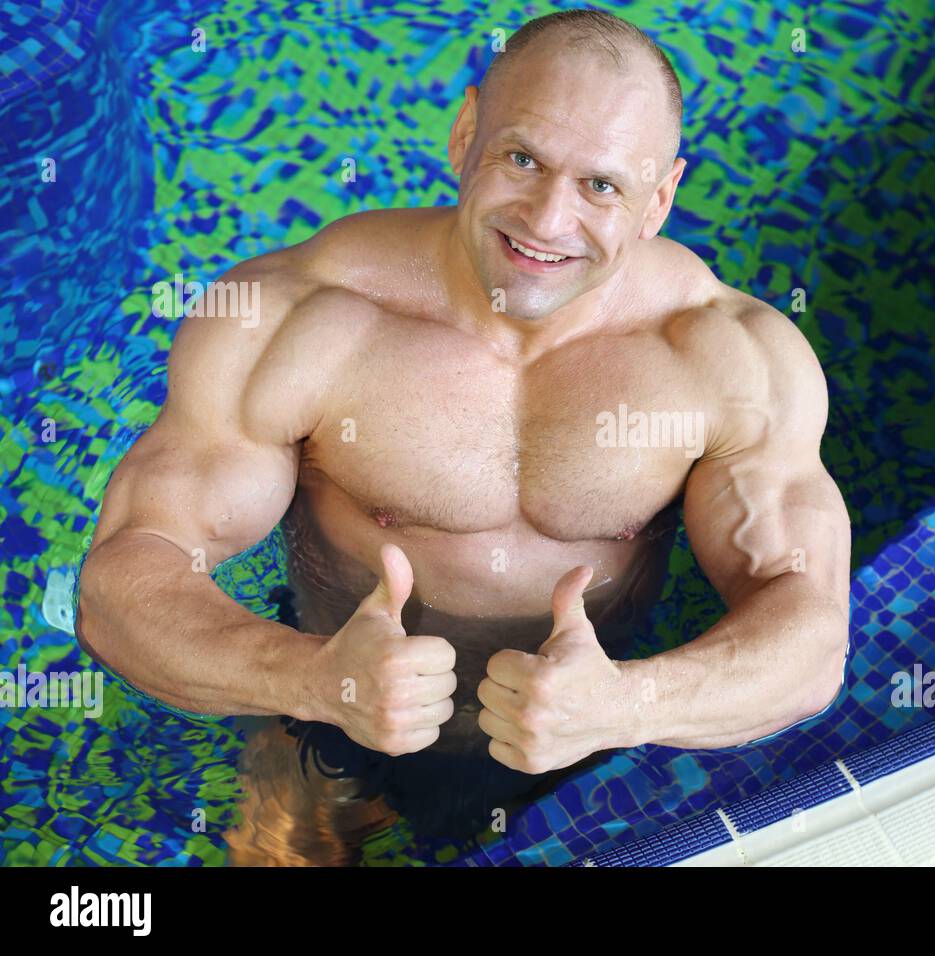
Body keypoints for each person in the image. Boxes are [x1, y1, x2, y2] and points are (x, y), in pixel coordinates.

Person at [76, 8, 851, 847]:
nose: (547, 222)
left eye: (601, 186)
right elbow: (120, 584)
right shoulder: (296, 320)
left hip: (596, 738)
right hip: (324, 719)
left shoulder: (730, 359)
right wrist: (310, 678)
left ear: (659, 198)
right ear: (464, 133)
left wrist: (629, 705)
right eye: (523, 159)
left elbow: (811, 639)